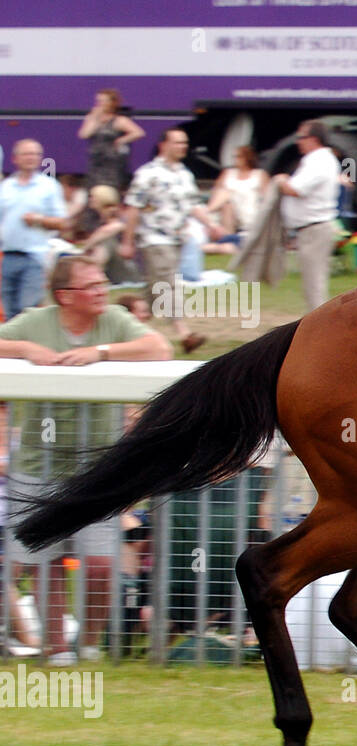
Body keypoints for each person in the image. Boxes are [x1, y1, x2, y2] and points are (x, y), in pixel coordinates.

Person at [0, 256, 172, 664]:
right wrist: (23, 349)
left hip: (97, 470)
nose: (101, 291)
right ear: (64, 296)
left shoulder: (113, 319)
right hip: (37, 465)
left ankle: (89, 642)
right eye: (91, 285)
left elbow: (159, 347)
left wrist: (100, 352)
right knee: (46, 563)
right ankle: (57, 648)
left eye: (102, 283)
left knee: (98, 564)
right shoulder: (33, 322)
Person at [120, 128, 219, 352]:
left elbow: (193, 205)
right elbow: (133, 208)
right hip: (154, 238)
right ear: (163, 145)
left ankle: (125, 326)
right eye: (177, 142)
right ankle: (184, 333)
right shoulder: (148, 174)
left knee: (153, 291)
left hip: (177, 240)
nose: (182, 146)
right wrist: (127, 241)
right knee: (168, 284)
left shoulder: (184, 174)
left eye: (184, 143)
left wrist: (211, 224)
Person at [271, 121, 341, 313]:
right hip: (312, 229)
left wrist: (280, 180)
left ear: (314, 139)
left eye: (301, 137)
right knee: (312, 286)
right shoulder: (320, 160)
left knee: (314, 287)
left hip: (314, 230)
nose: (298, 142)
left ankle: (322, 332)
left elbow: (295, 189)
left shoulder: (319, 161)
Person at [0, 140, 68, 320]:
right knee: (9, 308)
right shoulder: (6, 187)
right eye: (26, 154)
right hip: (8, 256)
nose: (31, 158)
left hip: (35, 257)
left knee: (27, 309)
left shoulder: (49, 187)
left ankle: (27, 347)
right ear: (15, 158)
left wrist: (39, 220)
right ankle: (11, 347)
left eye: (35, 154)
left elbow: (62, 223)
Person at [77, 89, 144, 192]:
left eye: (103, 101)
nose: (100, 104)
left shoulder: (119, 120)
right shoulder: (92, 118)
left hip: (111, 164)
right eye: (98, 101)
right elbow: (84, 134)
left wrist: (122, 140)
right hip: (95, 163)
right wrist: (95, 118)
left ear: (111, 103)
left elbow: (138, 132)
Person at [207, 145, 269, 238]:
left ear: (247, 158)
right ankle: (228, 235)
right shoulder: (227, 173)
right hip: (229, 210)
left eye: (239, 156)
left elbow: (268, 198)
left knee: (227, 194)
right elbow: (215, 193)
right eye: (235, 157)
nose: (236, 159)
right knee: (226, 200)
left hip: (249, 209)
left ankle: (205, 212)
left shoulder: (260, 174)